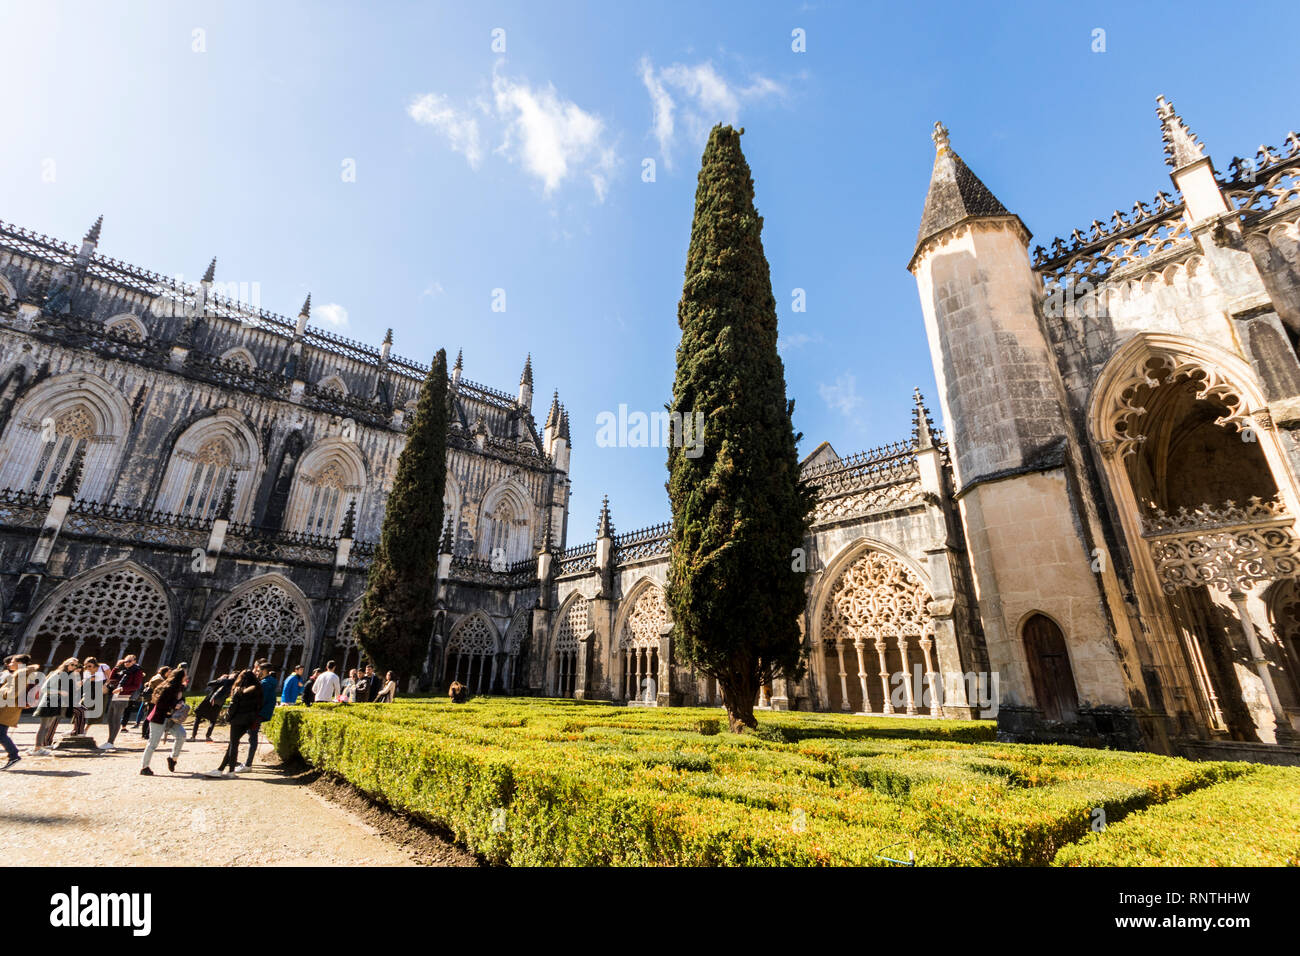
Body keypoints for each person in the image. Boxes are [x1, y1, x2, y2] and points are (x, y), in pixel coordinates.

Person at [206, 669, 261, 778]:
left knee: (233, 745)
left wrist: (228, 717)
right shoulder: (258, 690)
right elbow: (259, 706)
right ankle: (221, 769)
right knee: (232, 744)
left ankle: (230, 771)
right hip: (249, 721)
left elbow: (233, 707)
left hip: (237, 720)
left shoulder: (238, 690)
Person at [140, 667, 188, 775]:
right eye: (185, 675)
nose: (187, 677)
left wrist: (181, 703)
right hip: (159, 717)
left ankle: (172, 758)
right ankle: (144, 767)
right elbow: (160, 703)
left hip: (172, 718)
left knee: (181, 735)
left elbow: (179, 700)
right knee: (153, 744)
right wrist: (174, 705)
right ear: (180, 677)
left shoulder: (179, 688)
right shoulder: (168, 687)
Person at [31, 658, 79, 755]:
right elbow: (44, 688)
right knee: (44, 726)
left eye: (75, 665)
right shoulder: (57, 674)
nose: (73, 667)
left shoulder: (69, 676)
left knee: (48, 726)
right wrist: (59, 692)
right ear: (66, 664)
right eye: (72, 664)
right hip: (48, 702)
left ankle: (41, 746)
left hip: (57, 703)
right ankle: (37, 748)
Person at [1, 655, 39, 769]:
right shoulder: (21, 674)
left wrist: (2, 692)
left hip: (7, 709)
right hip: (7, 708)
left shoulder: (21, 675)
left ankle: (14, 755)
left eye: (12, 661)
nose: (9, 663)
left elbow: (13, 693)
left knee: (1, 734)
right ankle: (13, 755)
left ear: (20, 663)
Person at [240, 663, 279, 772]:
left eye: (259, 671)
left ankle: (248, 764)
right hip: (260, 713)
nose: (257, 673)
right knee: (252, 735)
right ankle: (247, 763)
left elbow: (260, 700)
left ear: (264, 671)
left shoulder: (266, 684)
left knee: (252, 736)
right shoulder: (267, 682)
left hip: (258, 713)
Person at [103, 654, 144, 750]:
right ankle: (109, 740)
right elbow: (112, 678)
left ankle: (110, 742)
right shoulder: (124, 671)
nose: (127, 663)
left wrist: (121, 688)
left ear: (134, 661)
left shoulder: (137, 671)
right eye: (125, 661)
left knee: (116, 719)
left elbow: (136, 686)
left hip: (123, 696)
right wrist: (116, 666)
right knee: (110, 718)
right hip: (115, 695)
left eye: (129, 661)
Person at [192, 672, 233, 741]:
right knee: (212, 721)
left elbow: (210, 684)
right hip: (217, 705)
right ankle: (208, 736)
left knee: (198, 717)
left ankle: (193, 736)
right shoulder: (229, 686)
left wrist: (219, 680)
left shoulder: (220, 682)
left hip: (208, 702)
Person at [137, 666, 170, 737]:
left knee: (149, 716)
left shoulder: (156, 677)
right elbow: (161, 690)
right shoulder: (159, 679)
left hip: (151, 699)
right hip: (153, 700)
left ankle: (145, 733)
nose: (169, 673)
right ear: (165, 672)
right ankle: (146, 734)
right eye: (169, 672)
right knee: (150, 716)